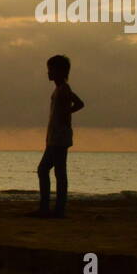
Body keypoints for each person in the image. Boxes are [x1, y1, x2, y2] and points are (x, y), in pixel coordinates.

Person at [31, 54, 84, 219]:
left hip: (59, 137)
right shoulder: (60, 89)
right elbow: (80, 103)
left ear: (60, 71)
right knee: (48, 170)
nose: (48, 72)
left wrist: (64, 115)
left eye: (51, 69)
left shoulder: (64, 89)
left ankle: (54, 209)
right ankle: (49, 207)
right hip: (55, 136)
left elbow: (79, 104)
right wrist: (65, 113)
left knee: (54, 171)